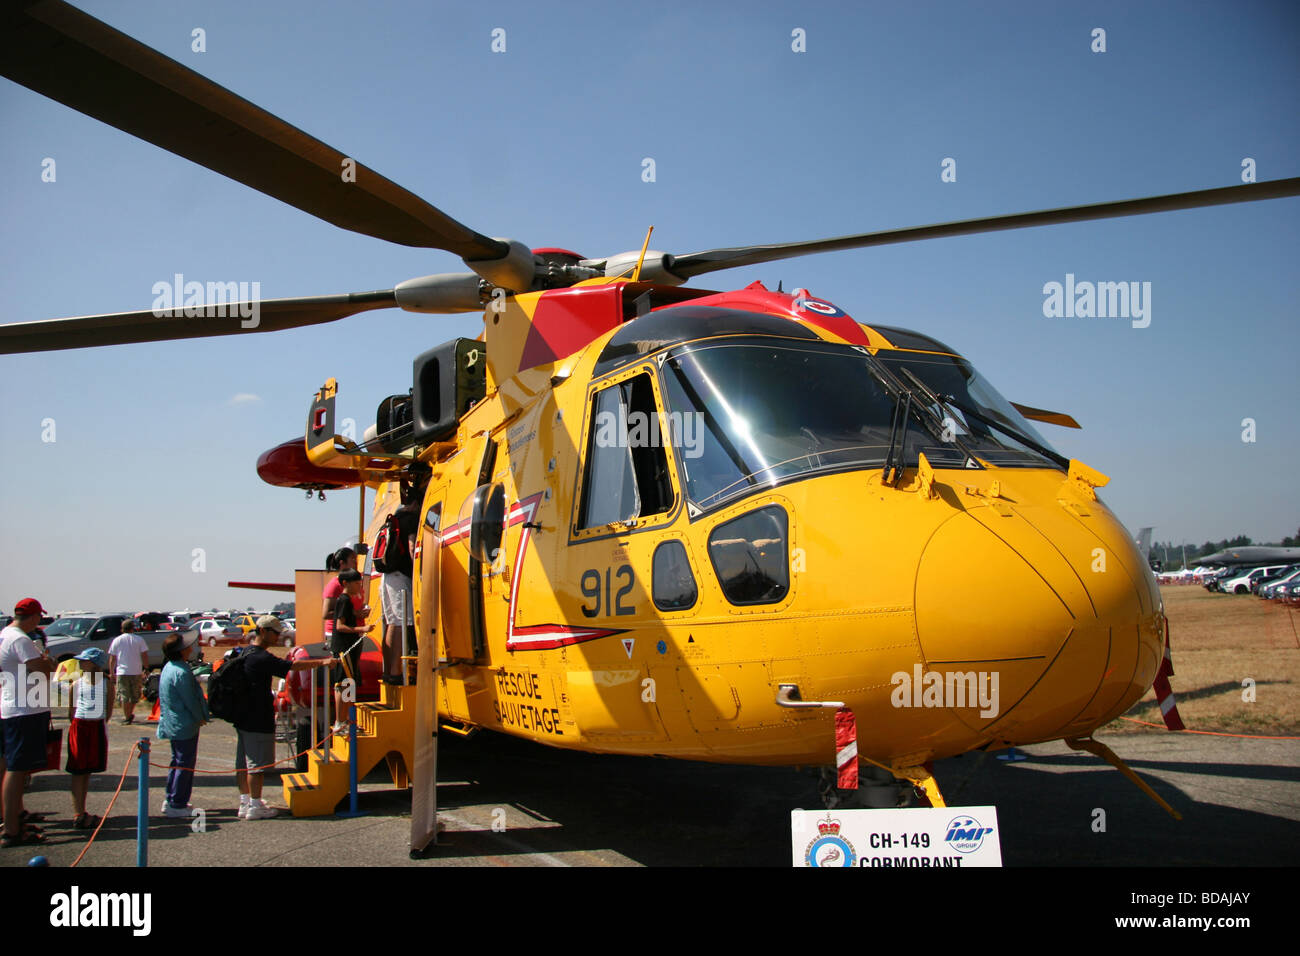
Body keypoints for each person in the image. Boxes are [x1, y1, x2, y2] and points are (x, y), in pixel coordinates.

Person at [234, 617, 333, 820]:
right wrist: (323, 662)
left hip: (242, 715)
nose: (278, 636)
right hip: (257, 717)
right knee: (257, 764)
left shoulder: (245, 653)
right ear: (262, 631)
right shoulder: (261, 658)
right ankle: (254, 805)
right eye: (275, 632)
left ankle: (245, 801)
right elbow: (292, 666)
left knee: (243, 762)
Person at [1, 598, 55, 847]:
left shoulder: (5, 635)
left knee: (9, 764)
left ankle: (13, 815)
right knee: (17, 768)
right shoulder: (21, 639)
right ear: (33, 617)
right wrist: (48, 661)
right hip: (24, 711)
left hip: (12, 707)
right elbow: (40, 668)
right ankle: (12, 830)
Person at [157, 631, 208, 819]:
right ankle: (177, 803)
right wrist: (200, 716)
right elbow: (190, 700)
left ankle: (172, 798)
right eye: (187, 646)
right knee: (185, 764)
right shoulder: (181, 671)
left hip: (173, 722)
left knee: (177, 761)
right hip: (184, 723)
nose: (191, 648)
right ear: (181, 651)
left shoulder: (169, 668)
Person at [65, 647, 112, 830]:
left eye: (85, 660)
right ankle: (78, 812)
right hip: (81, 726)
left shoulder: (106, 683)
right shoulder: (77, 683)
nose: (81, 663)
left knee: (87, 771)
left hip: (96, 726)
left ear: (95, 664)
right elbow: (72, 710)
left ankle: (82, 810)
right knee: (78, 771)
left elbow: (107, 710)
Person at [381, 484, 421, 683]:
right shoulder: (411, 519)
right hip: (400, 577)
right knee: (400, 623)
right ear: (416, 503)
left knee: (391, 623)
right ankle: (397, 672)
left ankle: (389, 670)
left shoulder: (395, 517)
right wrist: (419, 572)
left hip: (387, 576)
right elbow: (413, 547)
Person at [328, 570, 373, 735]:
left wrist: (358, 614)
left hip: (351, 648)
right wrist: (362, 628)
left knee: (349, 684)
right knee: (342, 684)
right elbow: (340, 626)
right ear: (346, 583)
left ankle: (346, 719)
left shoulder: (348, 602)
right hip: (343, 648)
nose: (359, 586)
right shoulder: (343, 599)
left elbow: (348, 616)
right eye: (356, 583)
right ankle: (340, 721)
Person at [108, 617, 149, 724]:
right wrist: (146, 668)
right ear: (133, 628)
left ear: (122, 629)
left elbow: (113, 658)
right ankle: (129, 714)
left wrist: (112, 672)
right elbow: (144, 655)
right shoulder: (139, 640)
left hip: (122, 672)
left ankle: (128, 715)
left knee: (124, 696)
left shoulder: (117, 640)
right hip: (136, 671)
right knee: (135, 695)